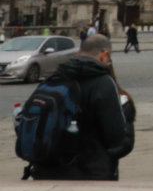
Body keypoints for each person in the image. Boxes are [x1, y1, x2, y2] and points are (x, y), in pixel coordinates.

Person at [24, 34, 134, 181]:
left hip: (46, 169)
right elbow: (116, 137)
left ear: (78, 53)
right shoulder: (103, 83)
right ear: (104, 55)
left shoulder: (54, 78)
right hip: (90, 172)